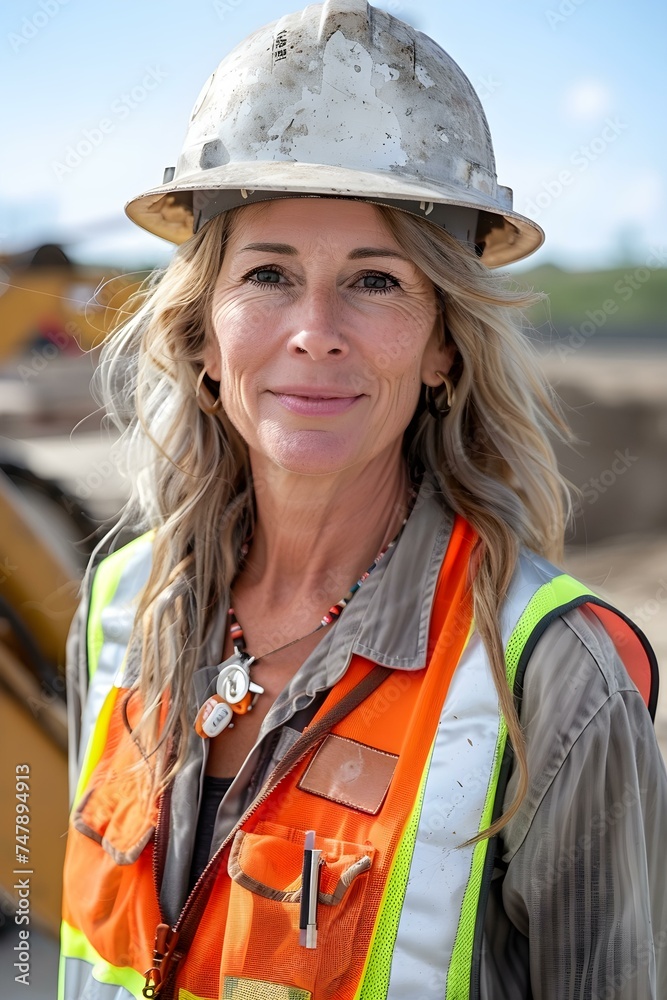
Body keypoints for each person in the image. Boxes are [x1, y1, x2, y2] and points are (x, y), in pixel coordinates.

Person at [59, 2, 667, 998]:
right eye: (268, 274)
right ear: (203, 339)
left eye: (375, 281)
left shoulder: (554, 681)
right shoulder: (122, 608)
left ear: (442, 346)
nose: (314, 330)